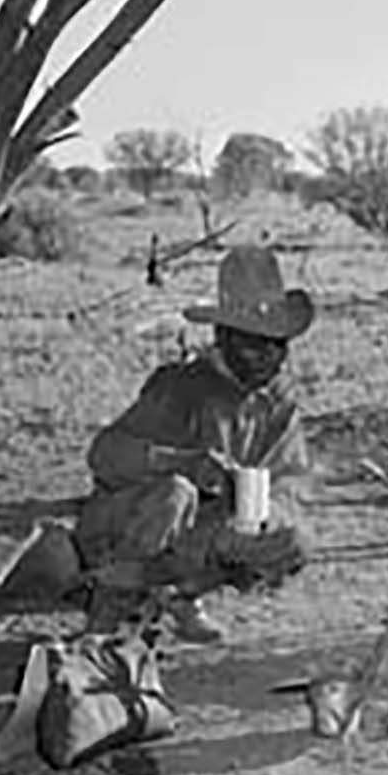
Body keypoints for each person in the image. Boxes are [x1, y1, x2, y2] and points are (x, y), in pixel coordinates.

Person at [75, 245, 316, 643]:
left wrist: (267, 514)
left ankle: (181, 595)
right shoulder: (180, 387)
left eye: (278, 345)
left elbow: (293, 483)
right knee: (175, 494)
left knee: (293, 539)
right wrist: (182, 461)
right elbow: (104, 455)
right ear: (222, 337)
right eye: (254, 343)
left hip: (203, 533)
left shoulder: (278, 409)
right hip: (125, 526)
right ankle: (111, 606)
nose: (268, 357)